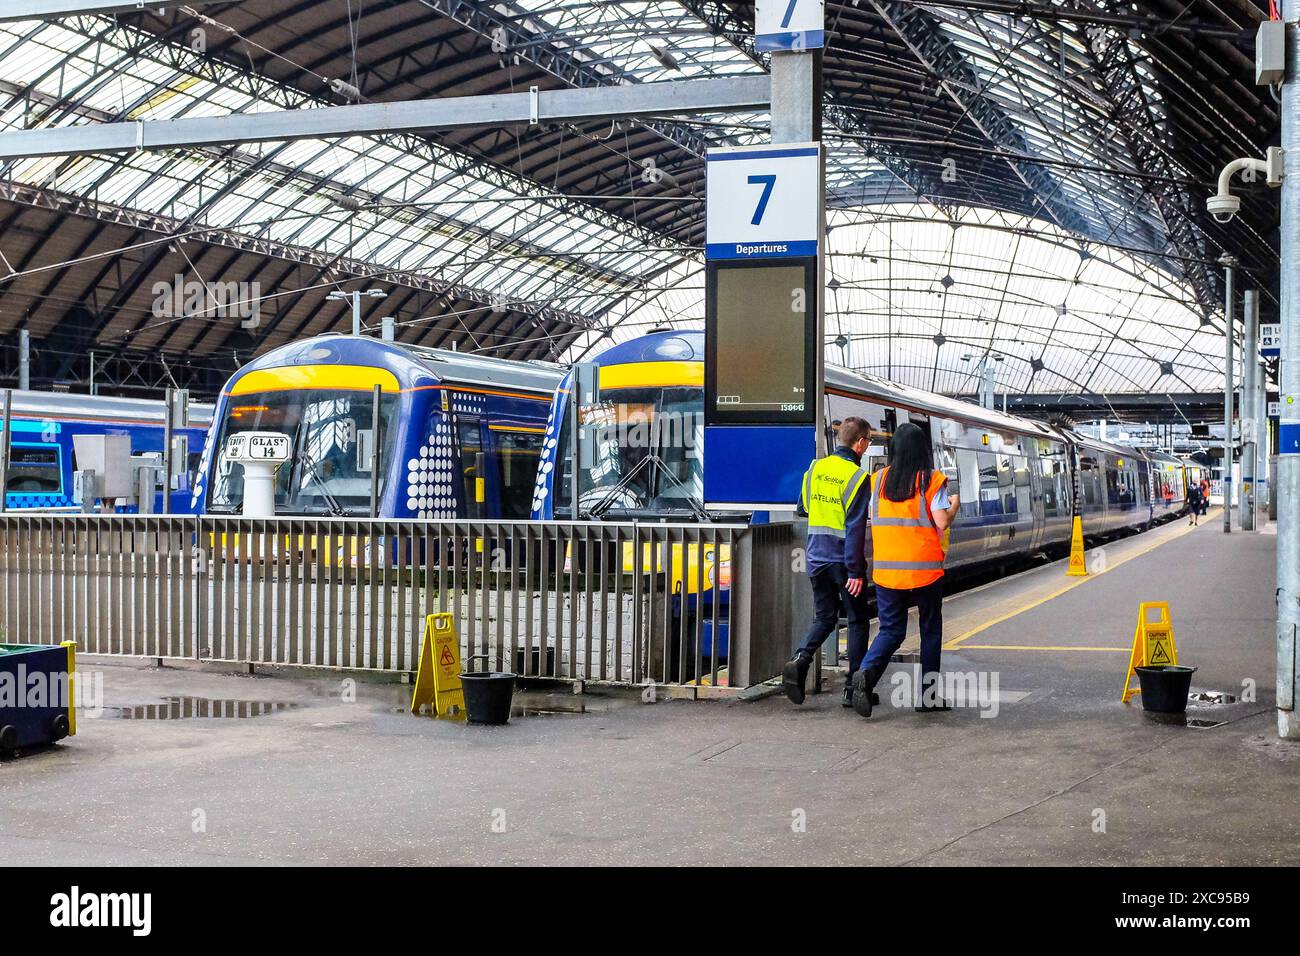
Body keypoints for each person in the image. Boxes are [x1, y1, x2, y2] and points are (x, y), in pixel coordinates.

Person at [850, 422, 960, 717]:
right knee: (930, 631)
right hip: (925, 571)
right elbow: (941, 522)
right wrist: (954, 506)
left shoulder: (878, 480)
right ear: (923, 450)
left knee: (891, 629)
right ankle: (929, 696)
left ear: (894, 449)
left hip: (887, 571)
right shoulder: (932, 480)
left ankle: (867, 673)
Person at [783, 417, 872, 708]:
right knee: (858, 620)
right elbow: (856, 528)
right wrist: (857, 571)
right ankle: (853, 690)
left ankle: (800, 659)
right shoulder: (858, 477)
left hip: (816, 557)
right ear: (859, 443)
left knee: (824, 617)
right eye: (868, 441)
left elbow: (802, 508)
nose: (867, 446)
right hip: (843, 561)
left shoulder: (815, 468)